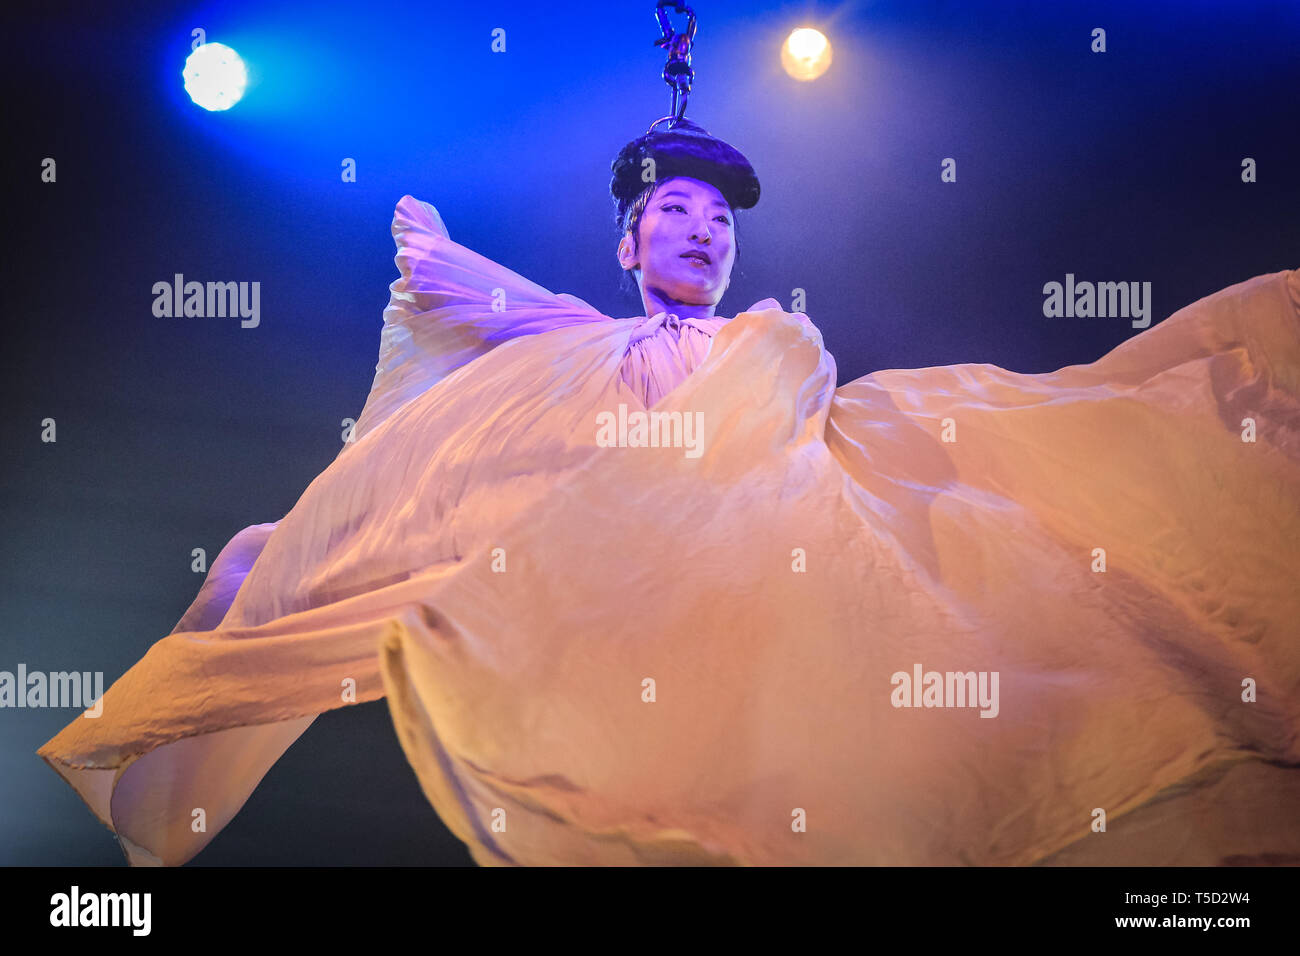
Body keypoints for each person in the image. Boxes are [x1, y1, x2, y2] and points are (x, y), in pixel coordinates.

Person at [39, 116, 1300, 866]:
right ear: (631, 242)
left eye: (717, 220)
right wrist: (436, 253)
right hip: (583, 534)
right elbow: (494, 306)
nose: (703, 230)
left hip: (750, 532)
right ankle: (215, 664)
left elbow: (771, 401)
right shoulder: (579, 337)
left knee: (1027, 529)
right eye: (677, 214)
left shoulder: (748, 338)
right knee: (270, 551)